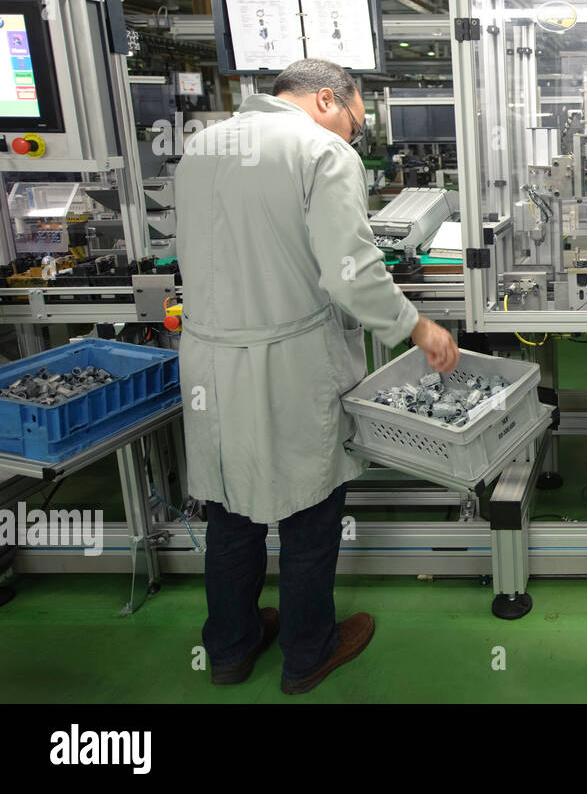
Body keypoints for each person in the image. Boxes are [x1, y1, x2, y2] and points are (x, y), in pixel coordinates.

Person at [175, 59, 459, 694]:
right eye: (356, 123)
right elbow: (350, 274)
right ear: (330, 99)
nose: (353, 136)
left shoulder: (199, 147)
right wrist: (418, 327)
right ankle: (308, 652)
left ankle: (230, 646)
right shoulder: (321, 151)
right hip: (287, 360)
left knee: (228, 506)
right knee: (309, 510)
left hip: (206, 359)